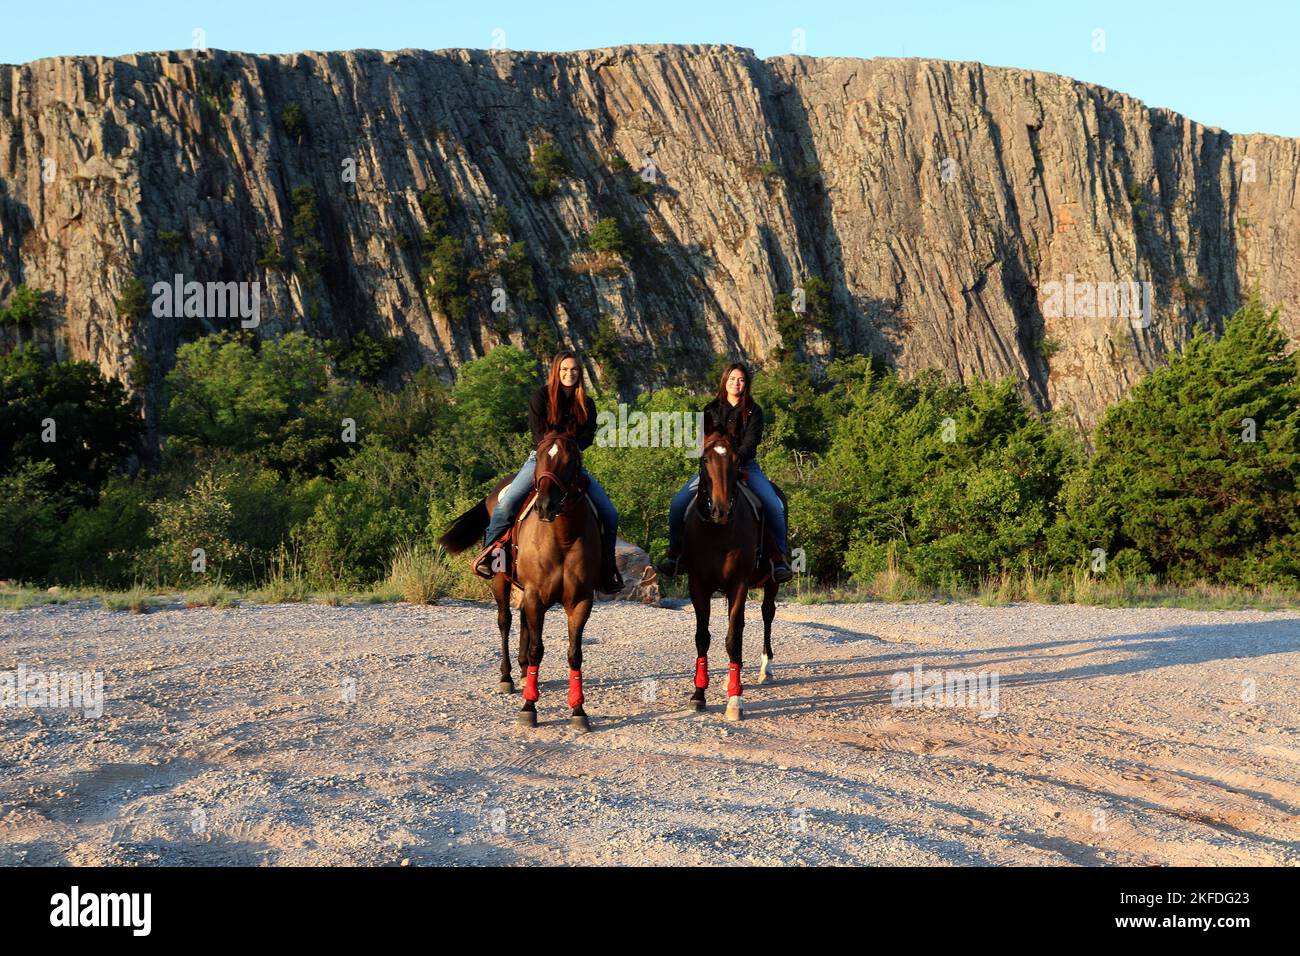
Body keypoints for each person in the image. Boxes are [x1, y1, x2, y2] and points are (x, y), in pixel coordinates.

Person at [474, 350, 623, 593]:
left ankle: (606, 566)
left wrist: (569, 448)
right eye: (564, 369)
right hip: (541, 460)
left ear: (579, 373)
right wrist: (556, 444)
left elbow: (587, 437)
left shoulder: (587, 403)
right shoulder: (540, 397)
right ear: (556, 371)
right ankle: (489, 554)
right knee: (508, 501)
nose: (569, 373)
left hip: (569, 463)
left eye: (574, 369)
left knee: (609, 512)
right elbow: (536, 434)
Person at [656, 361, 792, 583]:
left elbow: (751, 442)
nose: (736, 383)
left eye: (740, 380)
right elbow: (703, 441)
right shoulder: (710, 409)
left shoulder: (753, 411)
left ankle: (778, 559)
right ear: (725, 382)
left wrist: (734, 459)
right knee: (678, 504)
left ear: (746, 384)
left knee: (773, 505)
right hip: (713, 469)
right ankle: (675, 554)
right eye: (732, 379)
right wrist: (716, 459)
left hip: (745, 467)